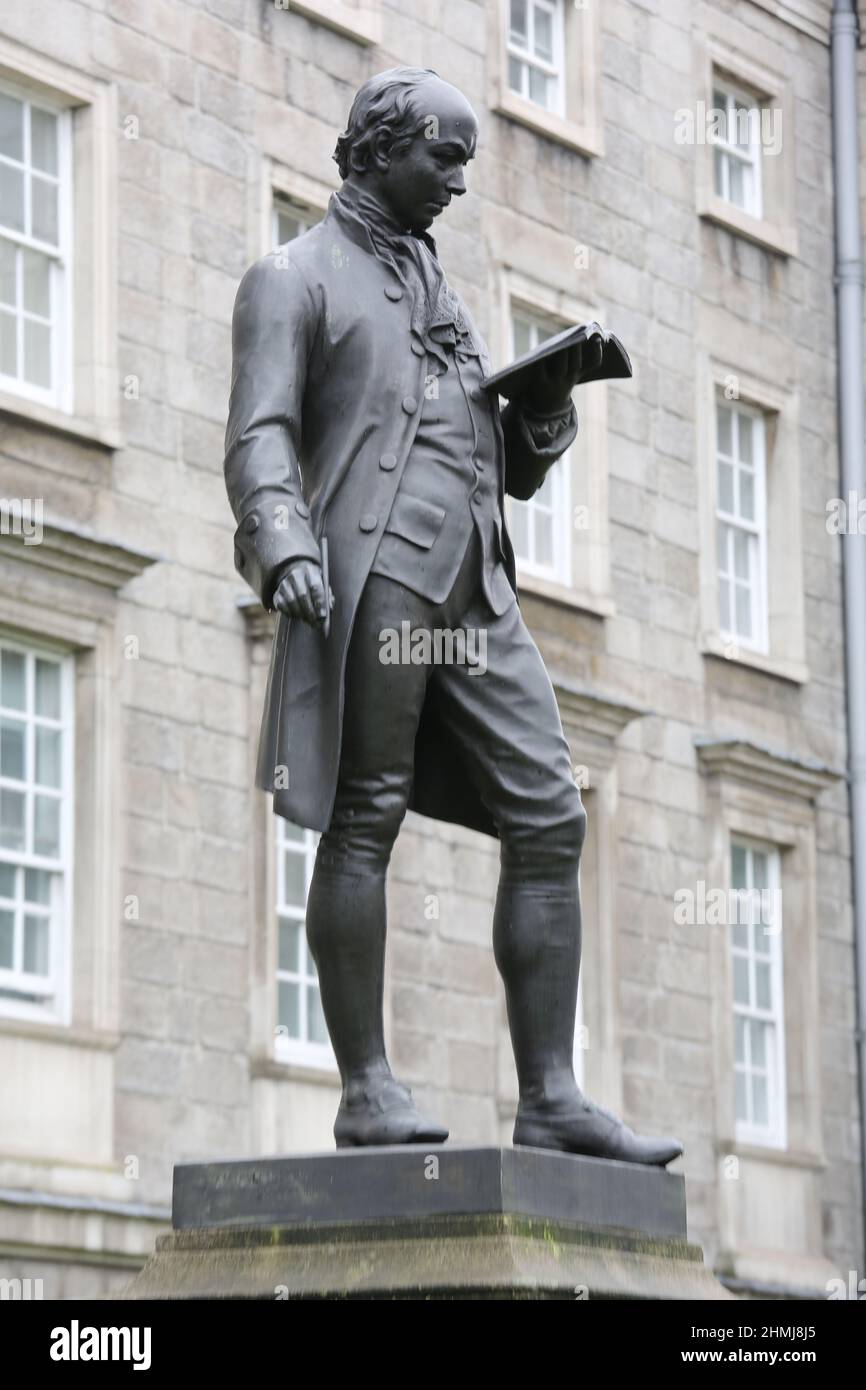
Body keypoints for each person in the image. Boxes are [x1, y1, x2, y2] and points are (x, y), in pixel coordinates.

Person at [224, 67, 682, 1165]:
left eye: (470, 160)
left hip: (475, 584)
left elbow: (496, 460)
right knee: (365, 815)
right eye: (448, 157)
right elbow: (259, 433)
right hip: (376, 576)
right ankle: (366, 1087)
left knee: (551, 814)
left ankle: (550, 1096)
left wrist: (546, 407)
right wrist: (283, 542)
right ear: (382, 149)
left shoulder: (437, 285)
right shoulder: (291, 277)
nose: (462, 182)